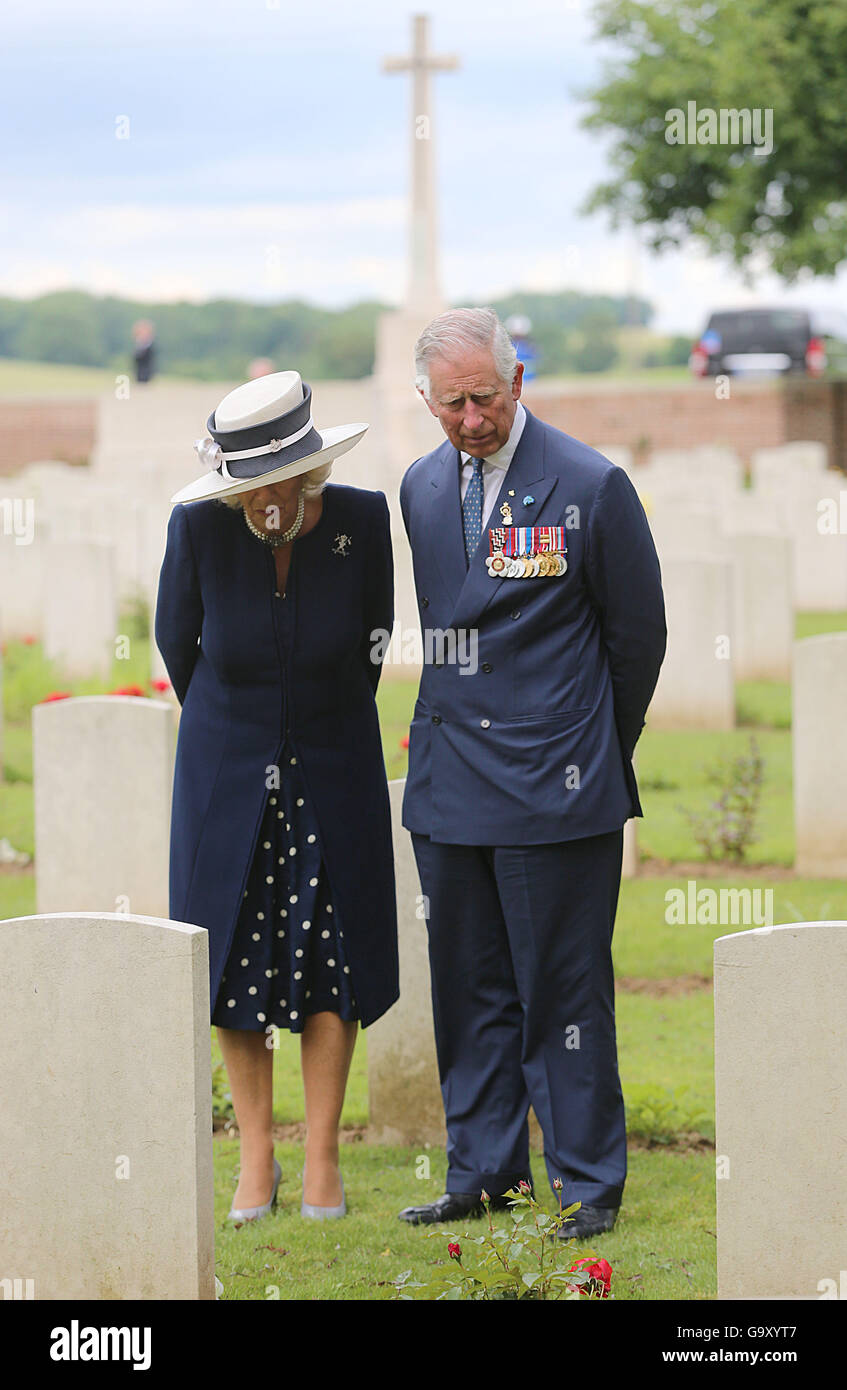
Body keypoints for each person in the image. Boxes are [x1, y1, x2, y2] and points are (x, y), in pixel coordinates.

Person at [396, 308, 666, 1237]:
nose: (471, 419)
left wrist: (589, 747)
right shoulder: (421, 488)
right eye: (450, 404)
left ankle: (587, 1183)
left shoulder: (591, 484)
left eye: (485, 397)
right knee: (466, 988)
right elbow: (446, 628)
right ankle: (483, 1173)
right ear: (424, 401)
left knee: (562, 992)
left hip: (554, 783)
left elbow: (637, 637)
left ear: (518, 383)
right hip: (450, 780)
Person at [155, 370, 397, 1223]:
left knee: (335, 957)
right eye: (247, 488)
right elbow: (177, 644)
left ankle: (322, 1153)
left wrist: (309, 728)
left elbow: (373, 642)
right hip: (227, 776)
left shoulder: (363, 522)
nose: (262, 502)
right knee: (235, 964)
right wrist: (244, 729)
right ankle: (256, 1156)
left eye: (274, 484)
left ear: (307, 471)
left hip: (335, 767)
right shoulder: (198, 528)